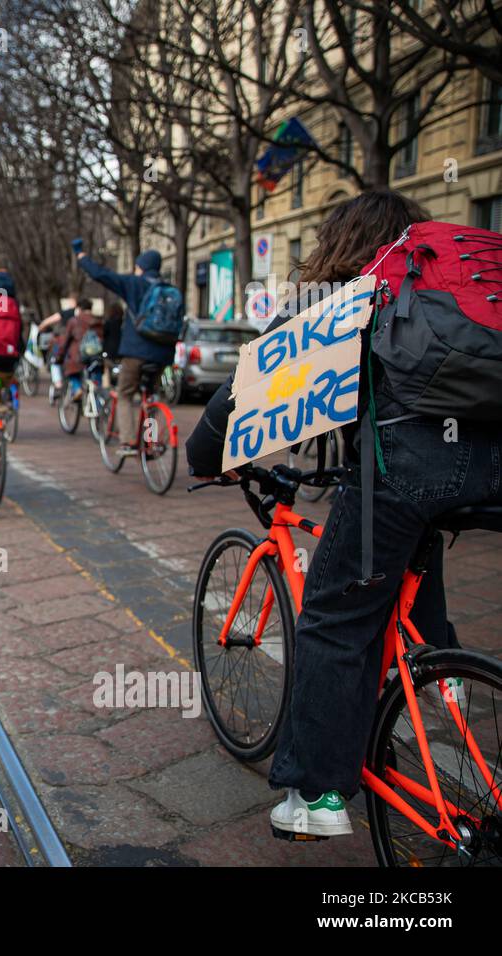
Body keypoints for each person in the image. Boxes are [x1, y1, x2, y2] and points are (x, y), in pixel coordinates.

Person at [186, 188, 502, 838]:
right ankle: (445, 674)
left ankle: (317, 798)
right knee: (411, 551)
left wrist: (204, 454)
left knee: (334, 617)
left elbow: (245, 387)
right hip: (489, 464)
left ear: (341, 244)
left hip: (408, 465)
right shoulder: (445, 276)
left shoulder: (349, 289)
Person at [74, 246, 178, 453]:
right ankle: (151, 443)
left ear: (141, 267)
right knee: (151, 396)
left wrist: (82, 257)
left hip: (136, 352)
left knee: (125, 394)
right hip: (164, 354)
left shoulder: (134, 284)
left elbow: (102, 275)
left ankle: (129, 441)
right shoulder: (170, 290)